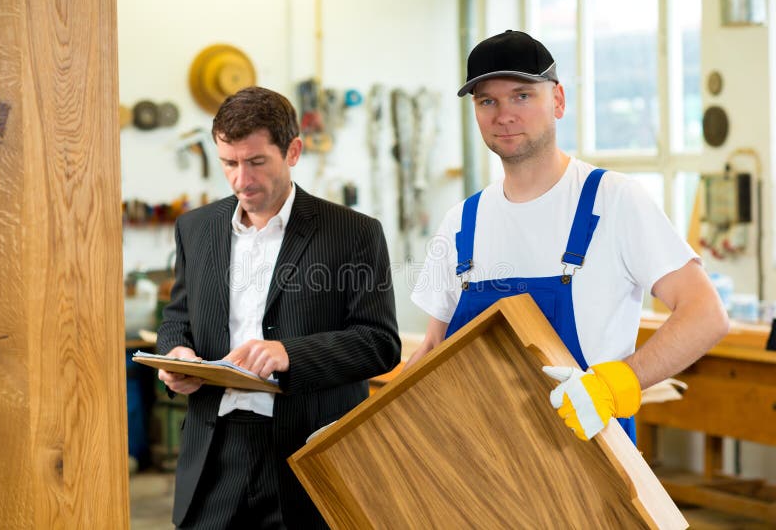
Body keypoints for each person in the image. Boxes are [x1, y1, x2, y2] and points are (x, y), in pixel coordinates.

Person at [407, 30, 729, 443]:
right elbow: (434, 347)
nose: (504, 114)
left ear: (557, 100)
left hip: (588, 457)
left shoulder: (613, 200)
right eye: (488, 101)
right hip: (483, 463)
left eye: (522, 95)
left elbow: (705, 314)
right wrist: (370, 431)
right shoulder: (461, 221)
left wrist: (613, 387)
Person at [156, 86, 401, 529]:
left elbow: (379, 344)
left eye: (255, 162)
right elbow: (178, 319)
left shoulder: (354, 232)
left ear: (293, 151)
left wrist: (291, 354)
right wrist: (177, 356)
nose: (240, 180)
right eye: (228, 163)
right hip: (213, 457)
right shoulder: (195, 228)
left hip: (307, 455)